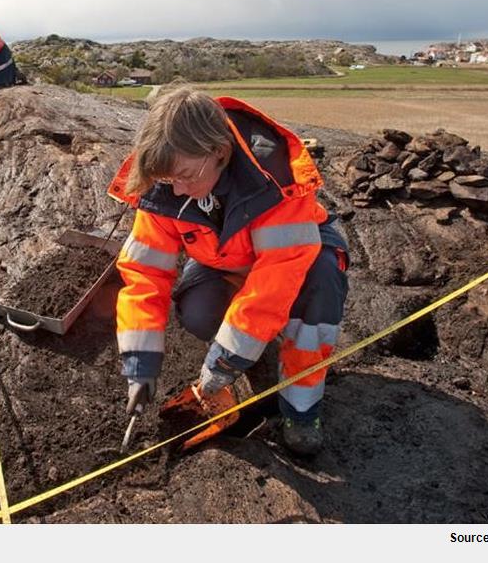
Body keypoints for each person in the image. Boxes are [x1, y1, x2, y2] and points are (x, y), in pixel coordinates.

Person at [107, 85, 349, 456]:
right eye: (169, 180)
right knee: (200, 312)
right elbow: (145, 275)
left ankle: (301, 410)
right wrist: (140, 363)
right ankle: (260, 351)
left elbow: (274, 280)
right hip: (229, 261)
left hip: (301, 258)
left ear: (220, 152)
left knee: (317, 299)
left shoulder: (277, 180)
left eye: (187, 175)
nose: (179, 190)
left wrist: (225, 360)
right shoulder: (166, 188)